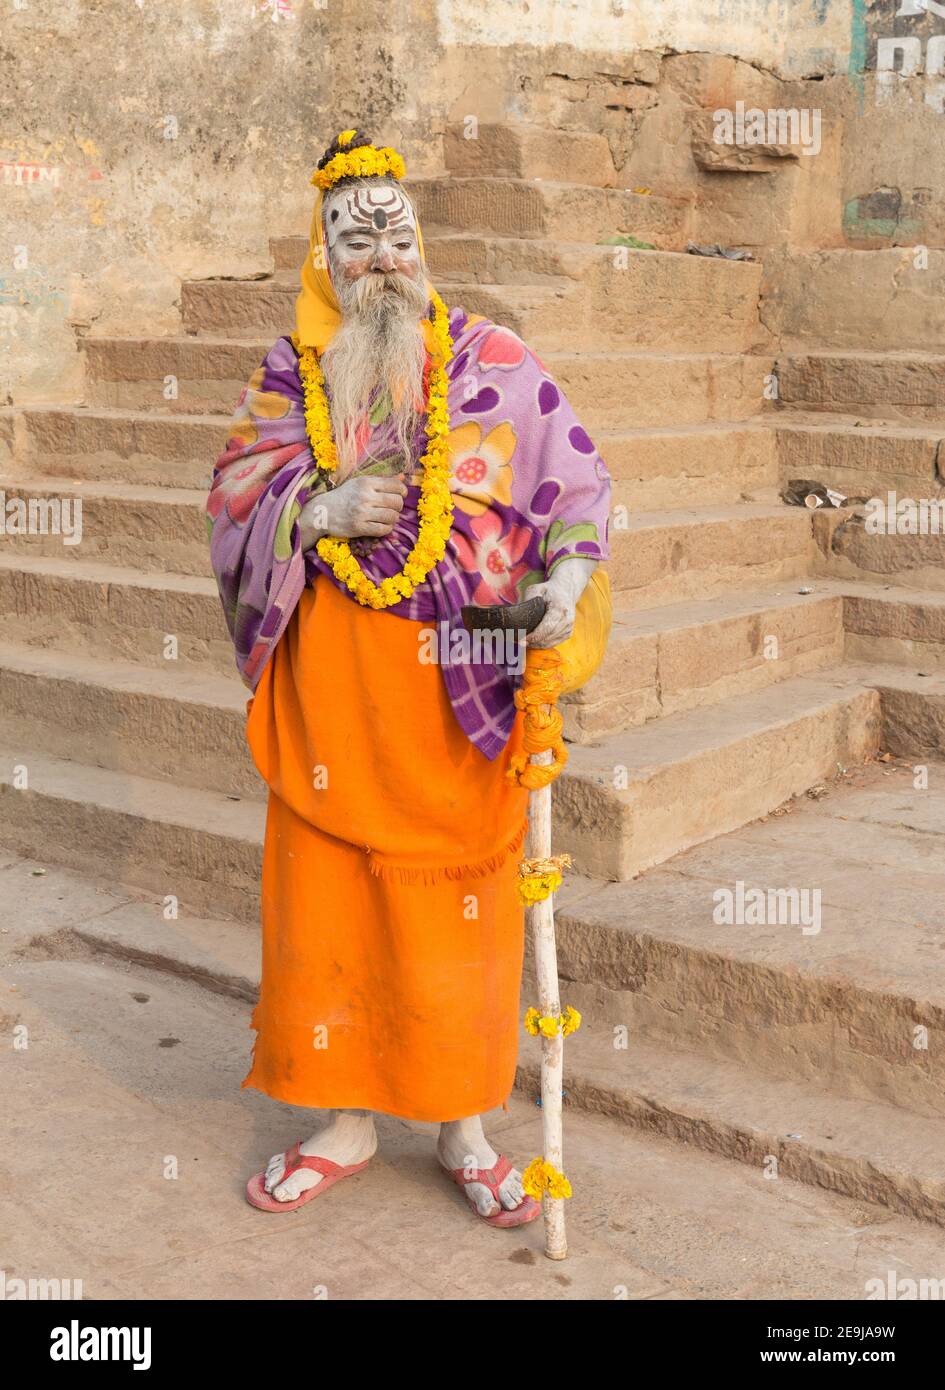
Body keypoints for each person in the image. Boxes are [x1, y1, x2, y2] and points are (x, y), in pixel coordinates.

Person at [207, 129, 611, 1226]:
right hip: (332, 705)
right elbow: (235, 496)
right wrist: (318, 509)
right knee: (329, 920)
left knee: (459, 927)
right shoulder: (287, 377)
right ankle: (342, 1121)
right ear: (322, 257)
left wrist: (568, 586)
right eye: (356, 238)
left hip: (464, 696)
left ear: (420, 244)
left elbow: (576, 489)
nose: (382, 258)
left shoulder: (497, 361)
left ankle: (466, 1130)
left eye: (398, 235)